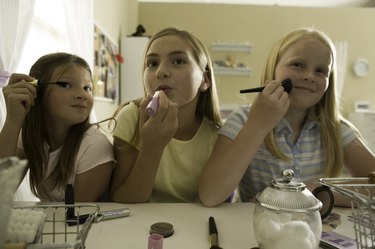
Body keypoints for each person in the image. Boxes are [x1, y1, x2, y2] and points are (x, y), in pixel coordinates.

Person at [199, 28, 375, 207]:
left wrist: (318, 190)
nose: (309, 76)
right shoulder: (244, 119)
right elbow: (210, 195)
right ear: (273, 69)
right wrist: (258, 125)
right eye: (297, 65)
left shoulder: (335, 128)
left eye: (320, 71)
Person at [111, 27, 222, 203]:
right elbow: (123, 198)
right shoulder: (131, 117)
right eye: (152, 63)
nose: (160, 72)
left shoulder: (217, 137)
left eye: (178, 61)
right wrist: (151, 147)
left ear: (205, 80)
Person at [0, 52, 115, 202]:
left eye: (87, 88)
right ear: (36, 91)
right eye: (65, 84)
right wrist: (13, 120)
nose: (82, 94)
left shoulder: (94, 145)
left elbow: (78, 218)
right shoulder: (30, 136)